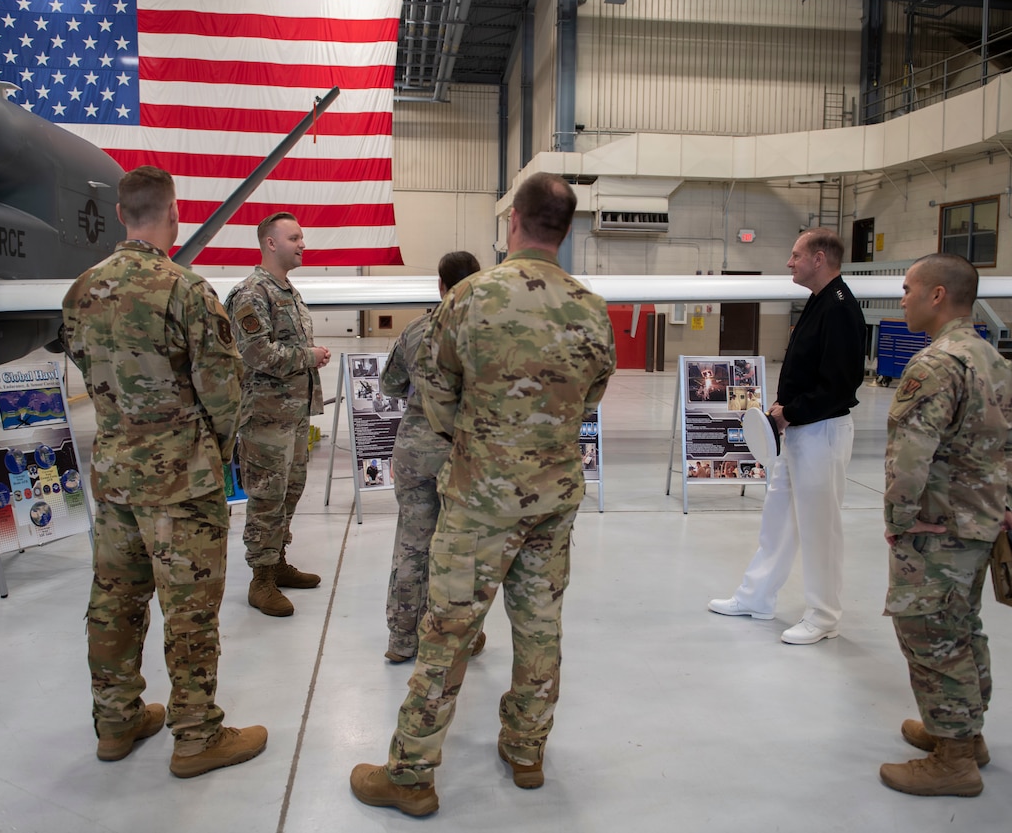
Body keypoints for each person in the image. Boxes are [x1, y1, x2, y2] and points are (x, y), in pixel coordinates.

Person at [349, 172, 617, 816]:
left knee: (446, 629)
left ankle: (411, 772)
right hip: (553, 494)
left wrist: (482, 440)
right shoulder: (590, 307)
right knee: (540, 624)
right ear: (568, 228)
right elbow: (592, 396)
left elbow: (434, 397)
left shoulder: (469, 298)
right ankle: (526, 750)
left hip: (480, 498)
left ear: (513, 223)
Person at [60, 166, 267, 778]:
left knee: (114, 601)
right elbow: (223, 393)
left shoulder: (81, 290)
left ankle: (117, 722)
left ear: (121, 215)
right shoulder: (186, 291)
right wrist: (218, 452)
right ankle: (197, 736)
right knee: (190, 611)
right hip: (182, 483)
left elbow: (81, 361)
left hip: (116, 474)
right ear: (174, 216)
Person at [878, 253, 1012, 797]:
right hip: (980, 523)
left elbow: (910, 455)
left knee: (929, 634)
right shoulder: (995, 361)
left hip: (937, 528)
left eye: (909, 288)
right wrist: (1004, 503)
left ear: (937, 295)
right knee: (961, 626)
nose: (903, 298)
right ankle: (963, 734)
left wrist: (900, 518)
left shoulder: (935, 366)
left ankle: (955, 760)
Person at [708, 228, 866, 644]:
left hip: (821, 432)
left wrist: (789, 412)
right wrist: (785, 414)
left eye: (795, 255)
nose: (789, 262)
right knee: (778, 520)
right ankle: (757, 596)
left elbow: (841, 384)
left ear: (819, 258)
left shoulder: (841, 308)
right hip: (797, 431)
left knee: (819, 527)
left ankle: (825, 616)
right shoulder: (817, 302)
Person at [379, 250, 483, 664]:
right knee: (460, 547)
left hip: (414, 452)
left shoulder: (416, 329)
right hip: (461, 454)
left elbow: (389, 385)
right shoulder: (485, 333)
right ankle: (456, 638)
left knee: (412, 542)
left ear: (439, 285)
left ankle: (402, 639)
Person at [225, 212, 331, 617]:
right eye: (294, 237)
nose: (302, 244)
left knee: (290, 490)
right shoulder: (251, 293)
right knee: (267, 496)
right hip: (266, 418)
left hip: (293, 416)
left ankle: (278, 562)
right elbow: (255, 352)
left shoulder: (288, 291)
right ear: (270, 243)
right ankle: (261, 579)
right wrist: (310, 356)